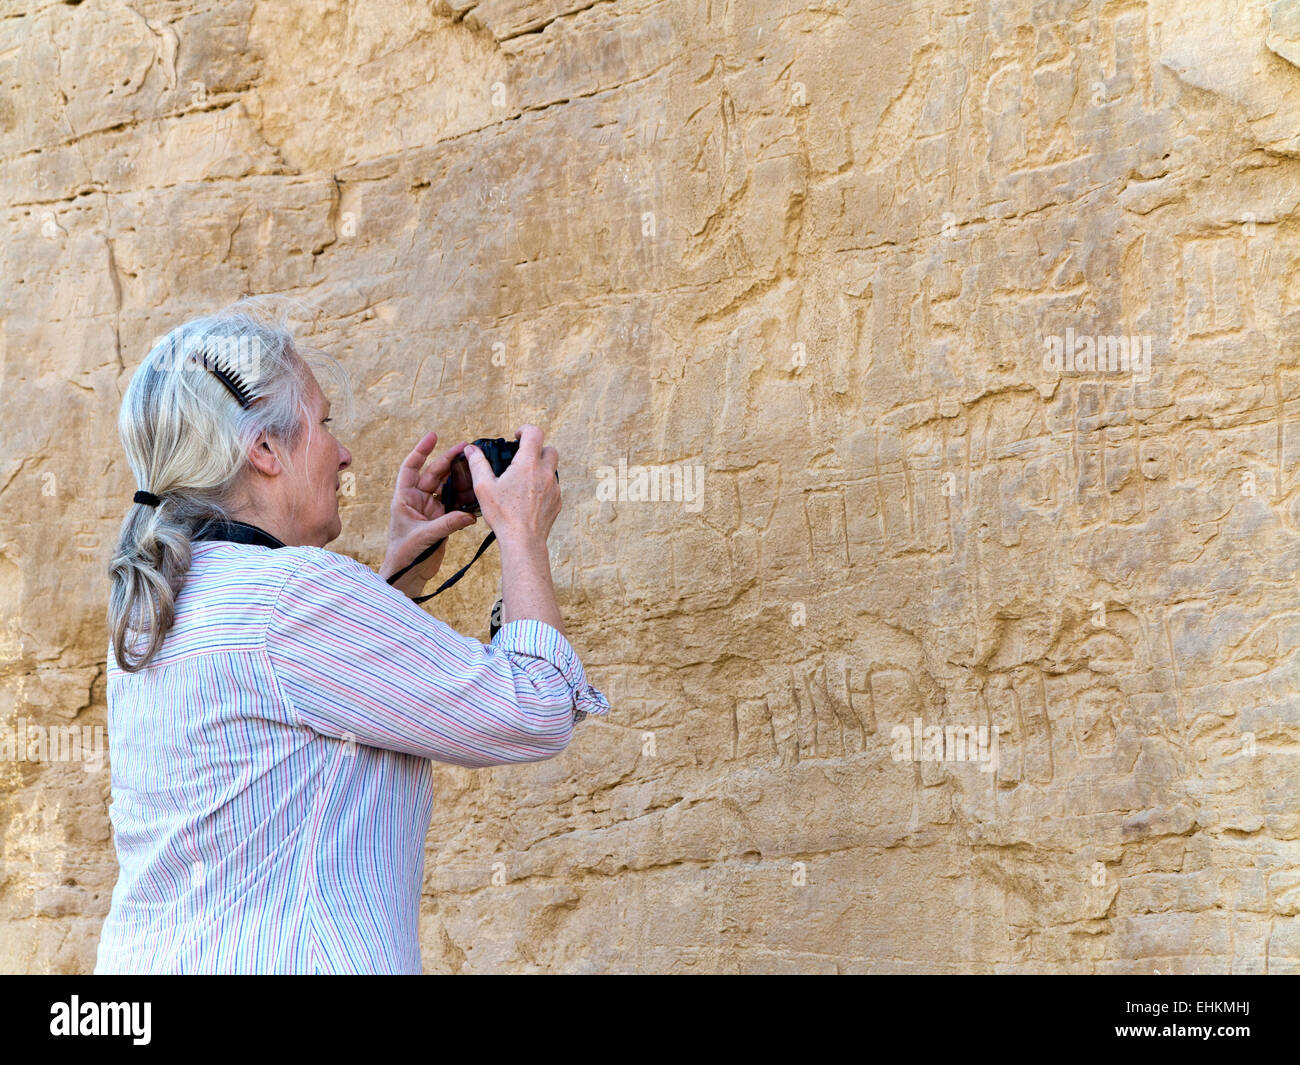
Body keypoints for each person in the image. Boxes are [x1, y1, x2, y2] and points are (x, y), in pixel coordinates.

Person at [94, 300, 608, 974]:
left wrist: (393, 581)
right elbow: (536, 708)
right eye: (324, 424)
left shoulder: (157, 601)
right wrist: (520, 531)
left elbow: (297, 719)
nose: (343, 453)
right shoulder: (294, 594)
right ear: (265, 450)